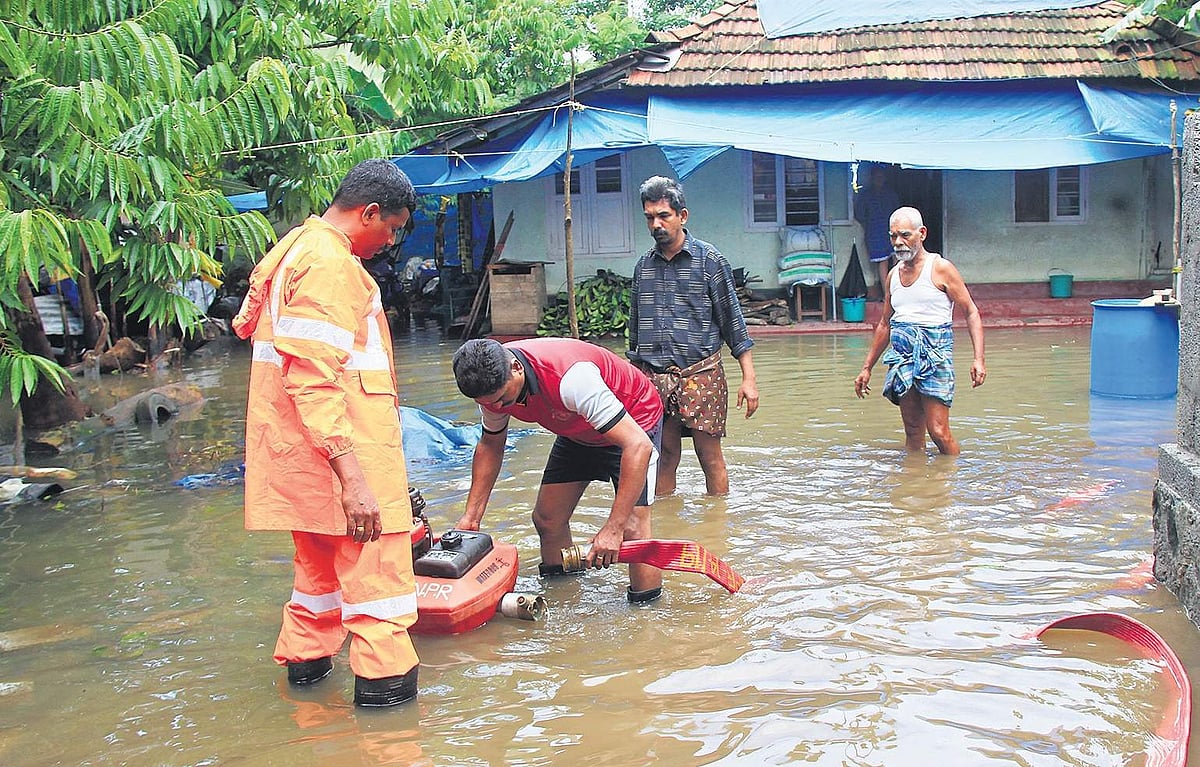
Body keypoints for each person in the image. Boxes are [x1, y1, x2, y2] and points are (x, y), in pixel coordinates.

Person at [233, 159, 421, 707]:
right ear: (368, 213)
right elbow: (314, 377)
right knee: (380, 596)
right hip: (348, 465)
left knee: (317, 585)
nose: (389, 243)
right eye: (390, 229)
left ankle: (311, 708)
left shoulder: (293, 251)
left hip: (304, 465)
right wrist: (355, 480)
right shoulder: (329, 265)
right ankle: (388, 727)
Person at [451, 337, 666, 603]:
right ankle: (564, 599)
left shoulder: (572, 378)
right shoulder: (492, 386)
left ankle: (647, 617)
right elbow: (491, 445)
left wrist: (613, 527)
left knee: (632, 530)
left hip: (634, 424)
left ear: (517, 367)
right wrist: (471, 517)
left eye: (504, 400)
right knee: (547, 519)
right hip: (576, 429)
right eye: (489, 403)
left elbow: (637, 446)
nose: (499, 409)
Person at [628, 176, 759, 496]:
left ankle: (717, 527)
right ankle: (665, 526)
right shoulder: (643, 267)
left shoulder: (709, 260)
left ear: (682, 216)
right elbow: (635, 335)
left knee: (710, 458)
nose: (656, 224)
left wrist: (749, 379)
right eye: (649, 217)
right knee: (664, 457)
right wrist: (631, 384)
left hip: (702, 374)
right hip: (656, 378)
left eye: (664, 216)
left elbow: (733, 322)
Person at [853, 206, 986, 455]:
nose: (898, 242)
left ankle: (950, 481)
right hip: (902, 357)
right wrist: (867, 367)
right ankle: (915, 485)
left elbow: (971, 311)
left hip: (934, 357)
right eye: (893, 236)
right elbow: (885, 323)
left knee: (938, 431)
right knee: (913, 430)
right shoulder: (893, 275)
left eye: (905, 235)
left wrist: (978, 359)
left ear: (922, 233)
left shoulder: (941, 268)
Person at [853, 165, 901, 299]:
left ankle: (898, 291)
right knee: (883, 261)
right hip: (875, 231)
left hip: (892, 230)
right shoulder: (867, 195)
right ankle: (887, 294)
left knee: (897, 258)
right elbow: (860, 214)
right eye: (877, 177)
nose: (879, 179)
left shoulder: (890, 194)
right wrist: (867, 224)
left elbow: (898, 212)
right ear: (872, 178)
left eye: (881, 177)